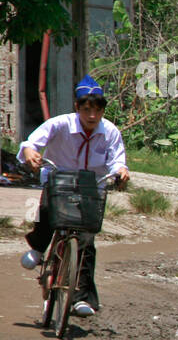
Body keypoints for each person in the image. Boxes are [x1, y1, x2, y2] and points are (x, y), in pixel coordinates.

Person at [18, 75, 129, 317]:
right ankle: (38, 248)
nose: (92, 116)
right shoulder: (59, 124)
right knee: (49, 211)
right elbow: (31, 143)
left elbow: (117, 160)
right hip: (59, 181)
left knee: (87, 241)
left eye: (97, 110)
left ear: (102, 111)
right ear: (77, 107)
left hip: (91, 187)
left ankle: (82, 298)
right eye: (87, 109)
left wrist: (121, 171)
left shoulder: (110, 131)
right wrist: (29, 152)